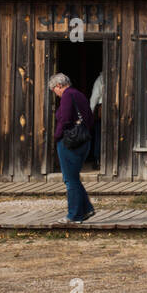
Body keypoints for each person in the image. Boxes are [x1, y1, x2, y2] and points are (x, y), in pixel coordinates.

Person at [50, 72, 95, 223]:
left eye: (54, 90)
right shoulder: (80, 95)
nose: (55, 94)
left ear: (58, 86)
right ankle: (87, 209)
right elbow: (89, 118)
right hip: (84, 140)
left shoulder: (68, 96)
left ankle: (74, 215)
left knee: (70, 179)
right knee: (73, 178)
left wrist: (56, 137)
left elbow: (65, 119)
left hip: (70, 142)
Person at [89, 70, 104, 166]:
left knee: (99, 135)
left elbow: (94, 98)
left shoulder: (100, 80)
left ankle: (97, 159)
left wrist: (89, 113)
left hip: (103, 110)